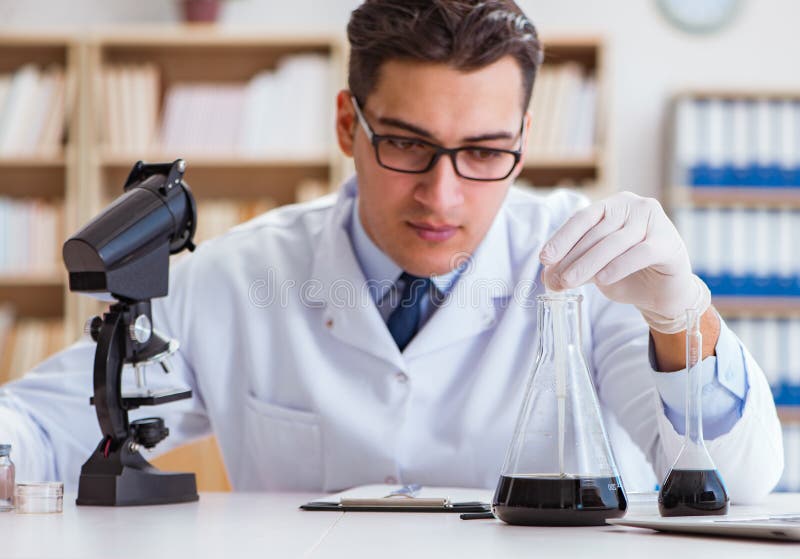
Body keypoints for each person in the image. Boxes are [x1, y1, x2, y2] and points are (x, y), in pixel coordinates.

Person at [0, 0, 783, 501]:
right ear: (349, 124)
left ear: (524, 140)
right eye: (407, 144)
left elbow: (743, 482)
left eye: (483, 152)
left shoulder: (595, 267)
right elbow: (39, 425)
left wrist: (684, 318)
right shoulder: (237, 278)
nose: (442, 197)